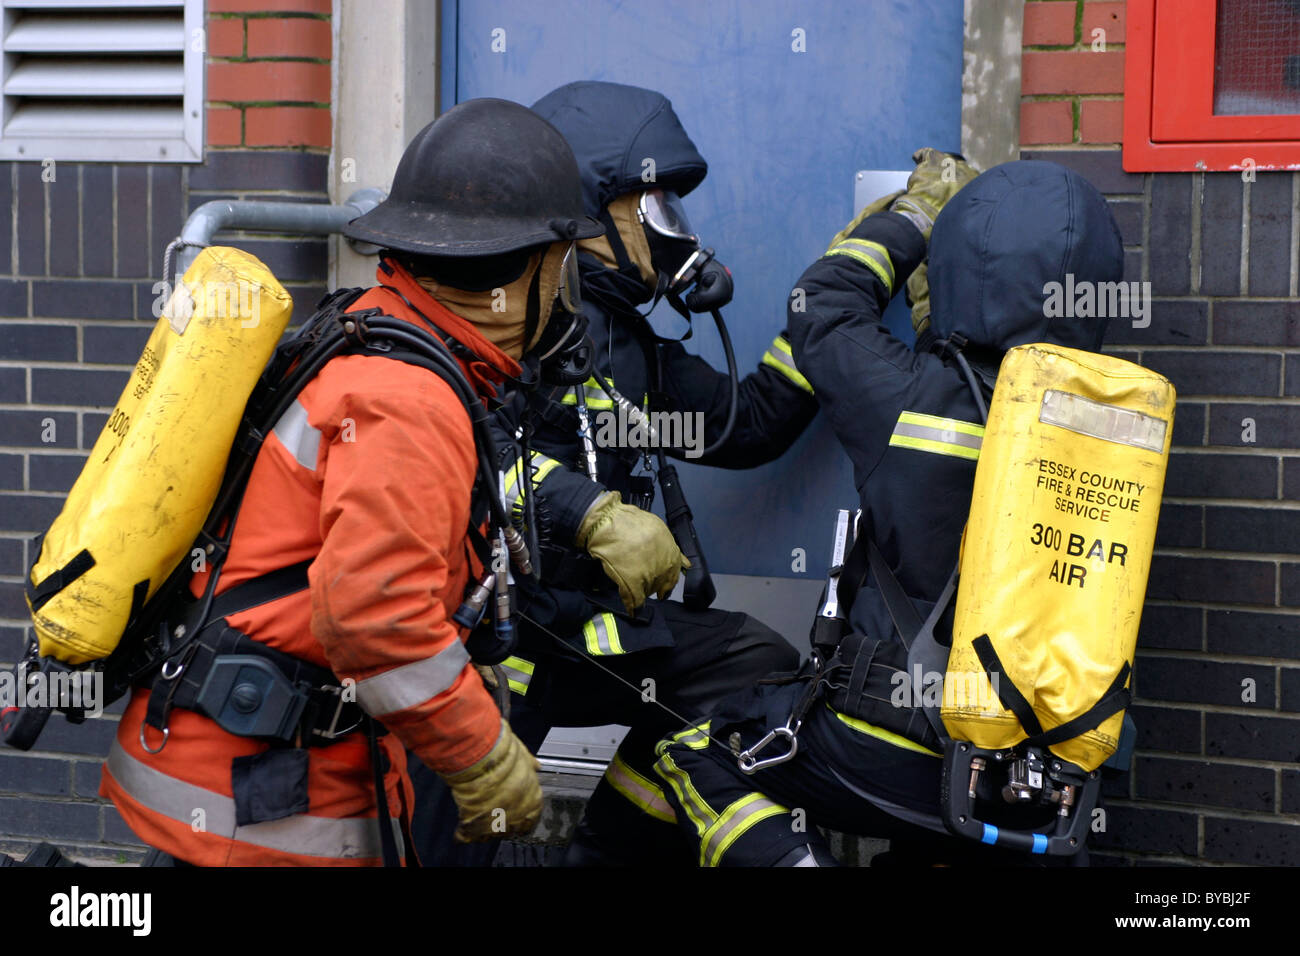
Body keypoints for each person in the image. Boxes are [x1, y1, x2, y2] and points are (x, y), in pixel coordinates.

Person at [100, 98, 604, 865]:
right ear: (533, 265)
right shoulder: (409, 397)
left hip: (231, 767)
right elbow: (377, 614)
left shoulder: (366, 328)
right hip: (265, 806)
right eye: (565, 269)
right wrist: (485, 757)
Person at [652, 155, 1126, 866]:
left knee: (692, 753)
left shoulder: (908, 398)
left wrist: (913, 218)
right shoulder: (1122, 432)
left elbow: (823, 304)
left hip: (882, 745)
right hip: (1040, 785)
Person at [409, 81, 814, 866]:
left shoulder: (628, 343)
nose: (675, 235)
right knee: (492, 840)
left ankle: (613, 829)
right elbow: (466, 442)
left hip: (596, 632)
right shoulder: (515, 315)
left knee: (756, 668)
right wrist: (590, 511)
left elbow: (750, 422)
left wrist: (832, 299)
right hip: (508, 638)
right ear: (593, 214)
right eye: (657, 210)